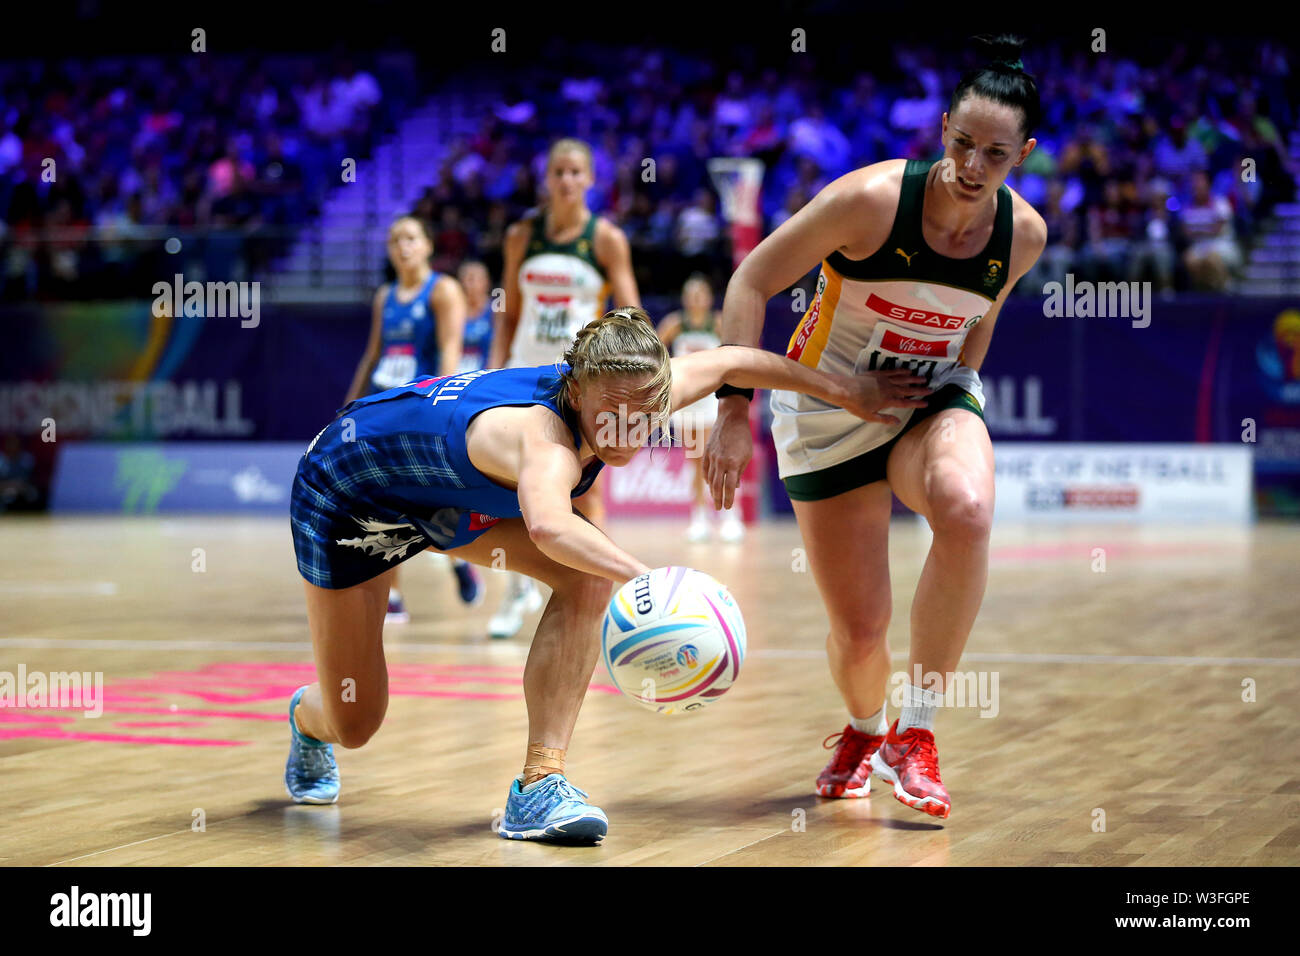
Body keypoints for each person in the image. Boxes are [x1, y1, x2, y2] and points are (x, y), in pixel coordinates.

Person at [285, 308, 911, 843]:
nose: (629, 431)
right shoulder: (540, 435)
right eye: (613, 414)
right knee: (355, 722)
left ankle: (538, 785)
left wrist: (842, 391)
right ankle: (305, 721)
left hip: (448, 500)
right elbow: (551, 525)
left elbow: (733, 361)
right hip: (349, 491)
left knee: (586, 578)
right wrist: (656, 581)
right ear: (578, 391)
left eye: (646, 415)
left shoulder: (640, 390)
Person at [703, 34, 1048, 819]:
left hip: (924, 406)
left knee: (966, 508)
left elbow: (981, 314)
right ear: (941, 131)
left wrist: (957, 387)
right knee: (861, 635)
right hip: (826, 410)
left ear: (1023, 153)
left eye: (994, 155)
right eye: (961, 144)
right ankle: (864, 729)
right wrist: (731, 409)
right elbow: (751, 279)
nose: (971, 167)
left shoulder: (1022, 237)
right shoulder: (868, 200)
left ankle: (914, 735)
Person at [485, 138, 640, 639]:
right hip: (518, 377)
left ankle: (602, 595)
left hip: (575, 384)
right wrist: (489, 370)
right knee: (504, 491)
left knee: (584, 494)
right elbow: (506, 311)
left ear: (591, 180)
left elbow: (632, 315)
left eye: (576, 172)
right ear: (545, 178)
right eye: (558, 171)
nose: (567, 180)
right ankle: (516, 593)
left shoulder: (606, 239)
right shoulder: (521, 235)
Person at [343, 215, 482, 623]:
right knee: (381, 504)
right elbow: (372, 356)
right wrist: (349, 407)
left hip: (421, 411)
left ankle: (458, 561)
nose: (402, 246)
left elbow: (451, 354)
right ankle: (394, 597)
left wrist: (442, 413)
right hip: (382, 411)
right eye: (394, 240)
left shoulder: (443, 290)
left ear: (427, 246)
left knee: (429, 507)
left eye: (410, 238)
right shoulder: (385, 296)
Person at [656, 274, 743, 542]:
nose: (695, 299)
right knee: (695, 462)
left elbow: (734, 354)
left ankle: (730, 515)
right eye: (691, 295)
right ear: (685, 298)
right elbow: (654, 353)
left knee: (716, 458)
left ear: (707, 298)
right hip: (686, 404)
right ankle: (700, 517)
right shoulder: (675, 324)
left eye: (700, 294)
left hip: (711, 402)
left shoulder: (716, 323)